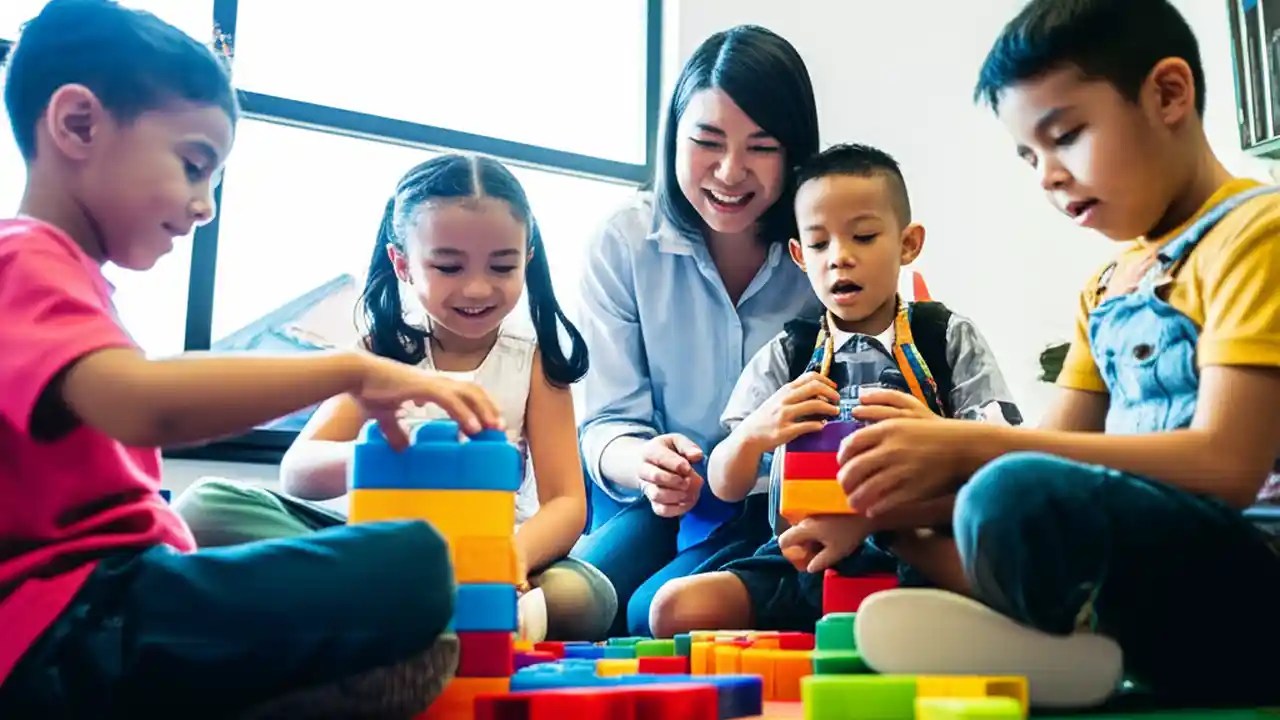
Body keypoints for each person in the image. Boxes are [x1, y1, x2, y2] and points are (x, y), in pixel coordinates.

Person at [0, 2, 505, 717]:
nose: (204, 205)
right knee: (417, 565)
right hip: (73, 626)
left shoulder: (65, 277)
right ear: (78, 124)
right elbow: (149, 404)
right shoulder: (24, 260)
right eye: (192, 165)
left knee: (422, 614)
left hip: (114, 608)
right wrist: (351, 371)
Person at [839, 0, 1280, 707]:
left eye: (1066, 136)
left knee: (1004, 490)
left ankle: (1045, 638)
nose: (1046, 175)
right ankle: (1059, 643)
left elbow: (1227, 467)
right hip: (1158, 569)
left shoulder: (1258, 234)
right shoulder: (1106, 288)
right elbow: (1056, 453)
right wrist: (891, 509)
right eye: (1028, 155)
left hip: (1253, 575)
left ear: (1169, 94)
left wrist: (965, 444)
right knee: (943, 503)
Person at [176, 154, 618, 642]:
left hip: (485, 553)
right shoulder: (383, 352)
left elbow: (566, 504)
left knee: (587, 596)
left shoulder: (535, 360)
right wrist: (387, 458)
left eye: (502, 265)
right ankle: (436, 620)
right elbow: (299, 470)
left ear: (527, 258)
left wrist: (510, 555)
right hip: (372, 548)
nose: (477, 287)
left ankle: (397, 616)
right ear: (402, 264)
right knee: (206, 507)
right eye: (448, 266)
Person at [647, 143, 1021, 637]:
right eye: (820, 245)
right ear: (800, 256)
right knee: (674, 608)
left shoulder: (945, 335)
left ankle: (878, 630)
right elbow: (724, 482)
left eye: (863, 237)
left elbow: (1004, 464)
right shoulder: (790, 352)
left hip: (920, 544)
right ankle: (839, 629)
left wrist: (937, 435)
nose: (840, 258)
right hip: (804, 552)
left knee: (1011, 588)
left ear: (908, 244)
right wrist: (757, 433)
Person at [572, 24, 823, 637]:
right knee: (576, 609)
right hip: (653, 499)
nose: (731, 172)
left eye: (761, 147)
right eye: (707, 141)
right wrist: (645, 461)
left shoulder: (821, 250)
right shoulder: (624, 242)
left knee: (649, 616)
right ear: (673, 139)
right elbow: (604, 422)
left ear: (794, 153)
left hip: (768, 504)